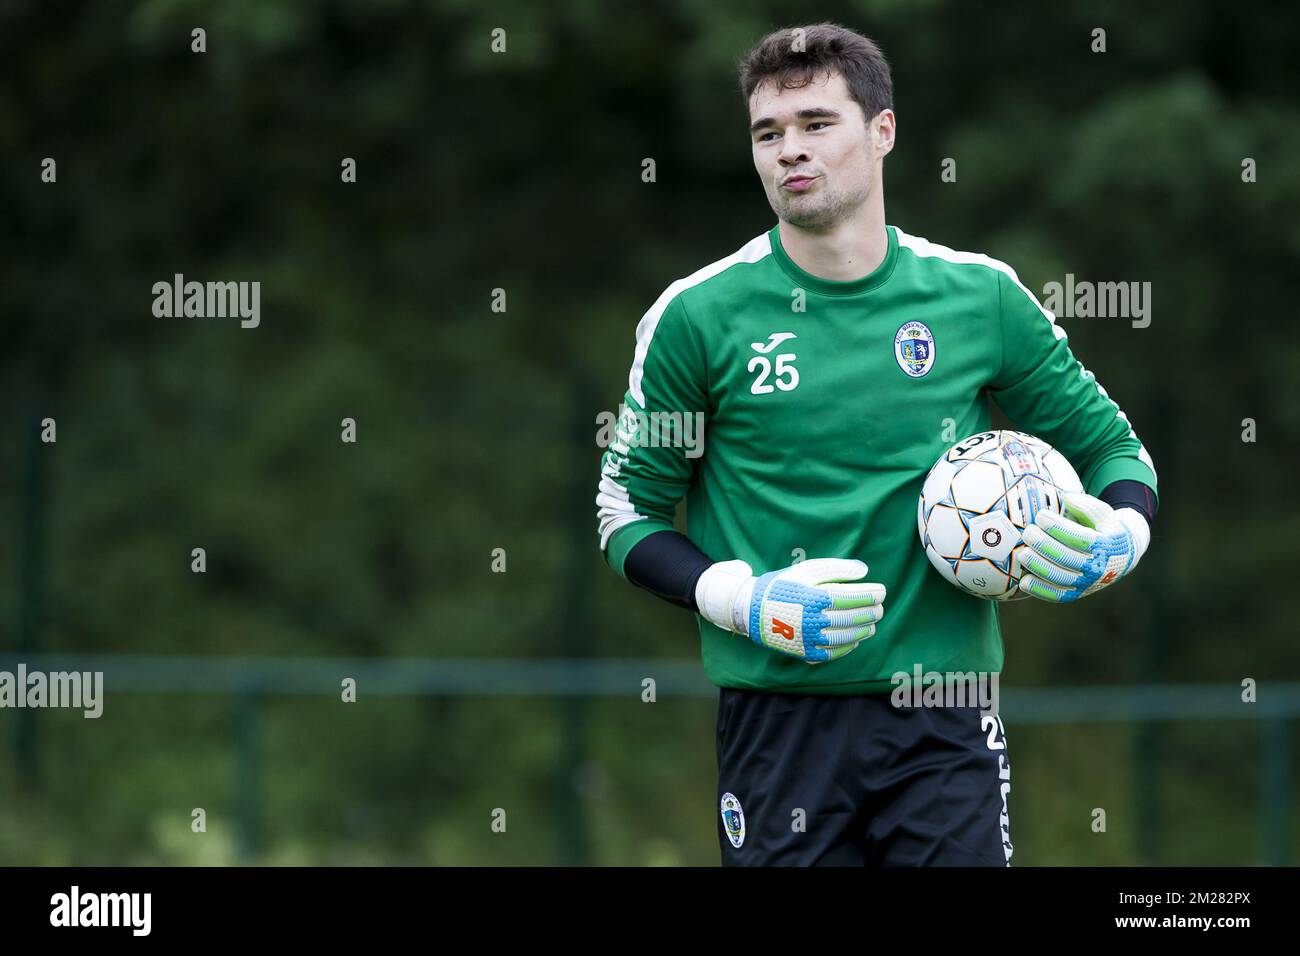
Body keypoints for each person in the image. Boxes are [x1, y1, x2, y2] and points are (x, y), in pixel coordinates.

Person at [595, 22, 1157, 866]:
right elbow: (624, 512)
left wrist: (1121, 536)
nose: (791, 151)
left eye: (818, 124)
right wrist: (740, 599)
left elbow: (1115, 450)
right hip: (777, 720)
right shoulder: (698, 316)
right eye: (768, 133)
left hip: (946, 716)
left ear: (882, 131)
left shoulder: (981, 298)